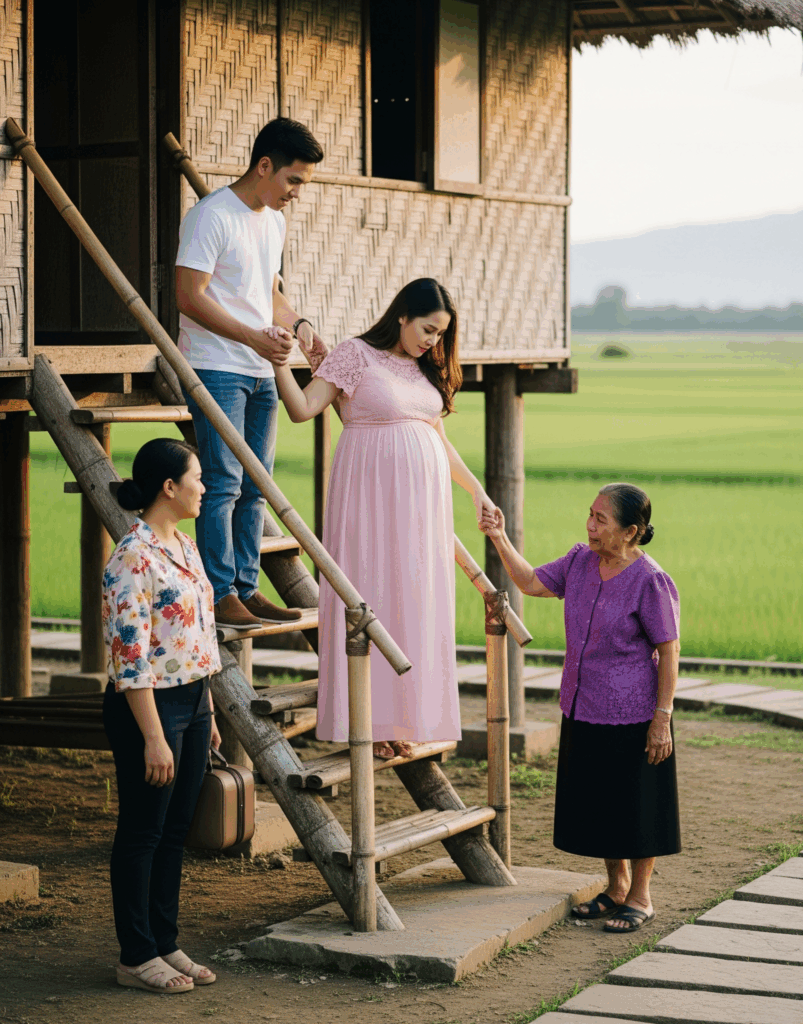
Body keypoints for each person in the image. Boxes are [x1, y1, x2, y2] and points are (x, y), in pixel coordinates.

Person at [274, 278, 495, 757]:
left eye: (439, 335)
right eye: (427, 329)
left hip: (422, 510)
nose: (431, 341)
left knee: (415, 596)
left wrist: (476, 491)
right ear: (402, 315)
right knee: (372, 590)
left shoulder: (424, 372)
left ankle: (405, 717)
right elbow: (303, 408)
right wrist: (278, 367)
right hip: (369, 498)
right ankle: (371, 722)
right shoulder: (355, 355)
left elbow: (437, 437)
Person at [481, 483, 681, 933]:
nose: (590, 526)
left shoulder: (650, 580)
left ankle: (641, 897)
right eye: (589, 515)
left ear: (631, 532)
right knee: (604, 803)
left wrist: (662, 719)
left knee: (637, 804)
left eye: (601, 520)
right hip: (583, 702)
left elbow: (669, 650)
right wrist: (499, 537)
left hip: (634, 711)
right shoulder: (578, 562)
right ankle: (615, 888)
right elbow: (531, 582)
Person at [175, 116, 326, 630]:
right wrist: (251, 337)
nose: (297, 194)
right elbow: (187, 297)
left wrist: (299, 325)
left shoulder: (273, 221)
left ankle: (246, 586)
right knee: (222, 482)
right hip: (216, 366)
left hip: (262, 367)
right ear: (265, 166)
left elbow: (269, 294)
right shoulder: (210, 216)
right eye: (294, 181)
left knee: (255, 484)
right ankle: (220, 594)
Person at [102, 438, 223, 993]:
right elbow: (130, 658)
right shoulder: (132, 556)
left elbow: (200, 636)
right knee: (143, 831)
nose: (204, 485)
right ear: (169, 487)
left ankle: (165, 941)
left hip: (194, 702)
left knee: (175, 831)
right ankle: (135, 954)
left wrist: (210, 711)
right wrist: (154, 737)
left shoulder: (187, 547)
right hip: (149, 709)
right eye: (197, 476)